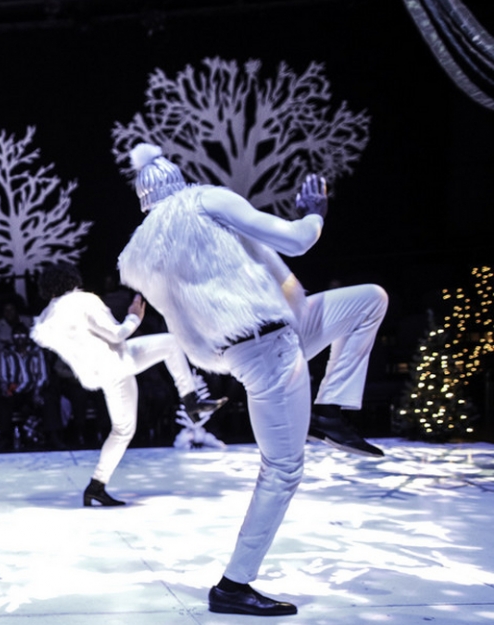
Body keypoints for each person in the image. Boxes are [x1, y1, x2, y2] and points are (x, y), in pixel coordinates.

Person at [118, 143, 388, 616]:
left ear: (143, 199)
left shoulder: (139, 256)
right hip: (270, 347)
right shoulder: (204, 200)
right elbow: (296, 240)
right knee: (282, 470)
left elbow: (188, 315)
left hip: (260, 340)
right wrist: (314, 213)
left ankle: (330, 409)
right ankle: (233, 585)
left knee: (368, 301)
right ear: (179, 179)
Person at [30, 262, 226, 506]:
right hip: (118, 362)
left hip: (100, 371)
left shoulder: (48, 322)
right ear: (73, 281)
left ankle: (96, 487)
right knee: (170, 345)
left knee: (123, 430)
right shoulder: (82, 302)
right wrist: (135, 316)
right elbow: (117, 334)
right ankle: (190, 401)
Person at [0, 329, 48, 452]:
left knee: (43, 402)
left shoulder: (36, 352)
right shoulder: (7, 353)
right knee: (3, 403)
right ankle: (5, 437)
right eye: (17, 335)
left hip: (32, 389)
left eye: (22, 335)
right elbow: (3, 376)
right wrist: (5, 389)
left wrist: (37, 391)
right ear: (12, 337)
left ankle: (41, 435)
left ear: (27, 337)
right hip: (14, 390)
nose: (20, 338)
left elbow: (42, 375)